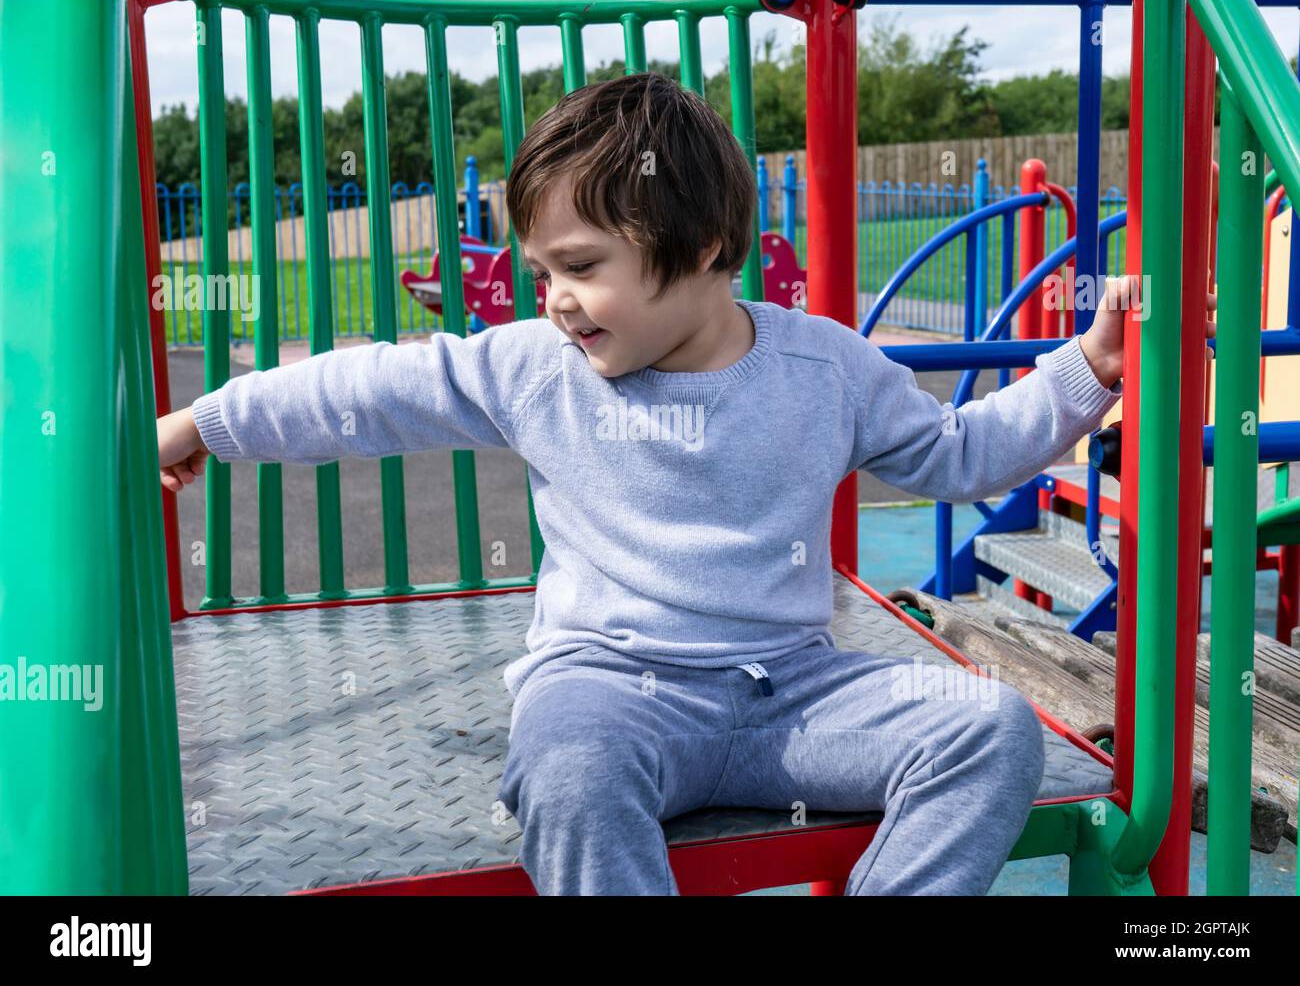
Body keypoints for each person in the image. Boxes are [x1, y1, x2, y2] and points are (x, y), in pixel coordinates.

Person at [157, 71, 1215, 896]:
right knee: (569, 771)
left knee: (990, 730)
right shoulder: (536, 366)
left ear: (705, 246)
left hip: (789, 693)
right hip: (610, 687)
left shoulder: (823, 366)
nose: (557, 300)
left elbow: (952, 455)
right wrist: (202, 420)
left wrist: (1088, 373)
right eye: (543, 274)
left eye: (580, 266)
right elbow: (368, 390)